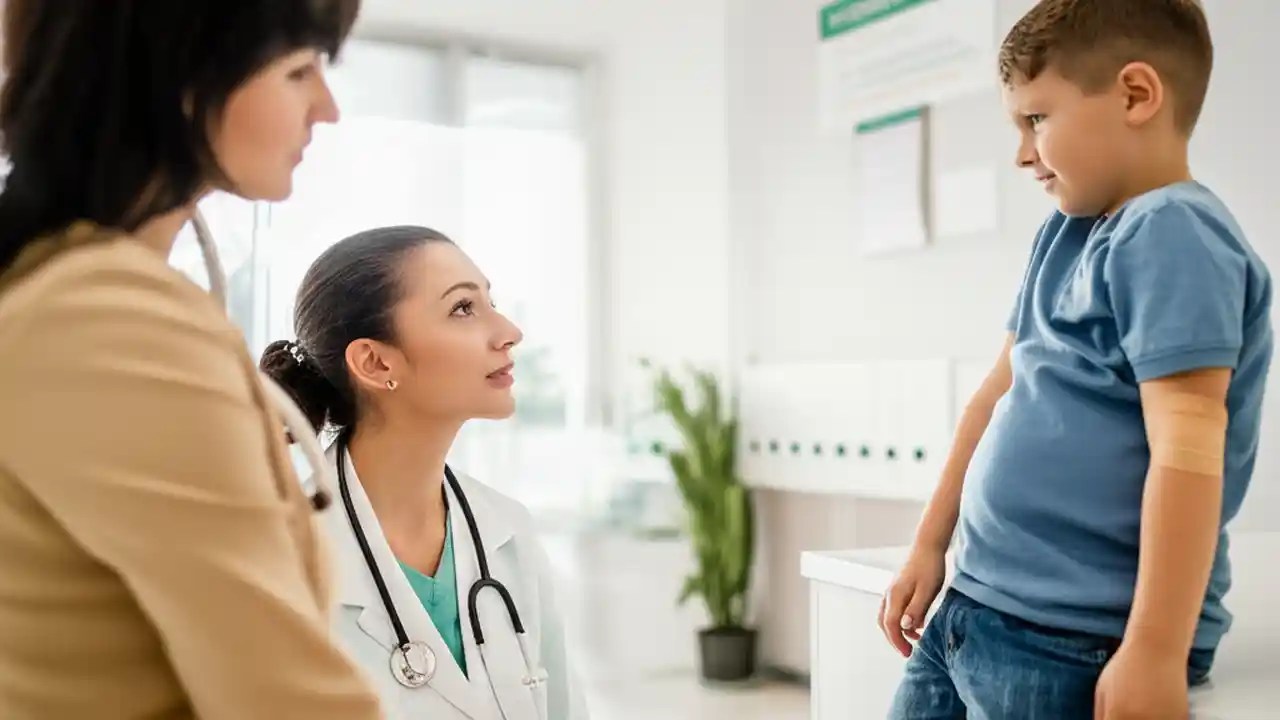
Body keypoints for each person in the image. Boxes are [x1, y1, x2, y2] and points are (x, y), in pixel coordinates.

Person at [878, 1, 1274, 718]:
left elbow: (1188, 452)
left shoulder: (1175, 232)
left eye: (1036, 119)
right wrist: (928, 546)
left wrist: (1153, 651)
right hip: (974, 606)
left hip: (1076, 637)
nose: (1022, 154)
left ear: (1135, 95)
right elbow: (993, 400)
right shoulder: (1063, 237)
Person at [0, 2, 387, 718]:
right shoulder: (106, 319)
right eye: (299, 70)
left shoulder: (67, 287)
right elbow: (285, 699)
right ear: (180, 78)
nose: (326, 109)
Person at [260, 226, 589, 720]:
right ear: (374, 361)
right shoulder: (280, 561)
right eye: (463, 308)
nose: (508, 332)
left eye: (489, 301)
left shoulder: (509, 532)